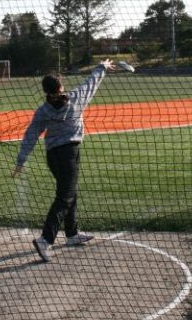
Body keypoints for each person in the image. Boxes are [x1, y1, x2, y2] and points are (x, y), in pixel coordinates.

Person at [12, 58, 115, 262]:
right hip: (69, 155)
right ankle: (45, 240)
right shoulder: (76, 99)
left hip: (53, 157)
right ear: (60, 86)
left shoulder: (42, 111)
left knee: (69, 191)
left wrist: (21, 161)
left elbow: (30, 135)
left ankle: (72, 234)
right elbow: (91, 82)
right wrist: (102, 66)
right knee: (65, 196)